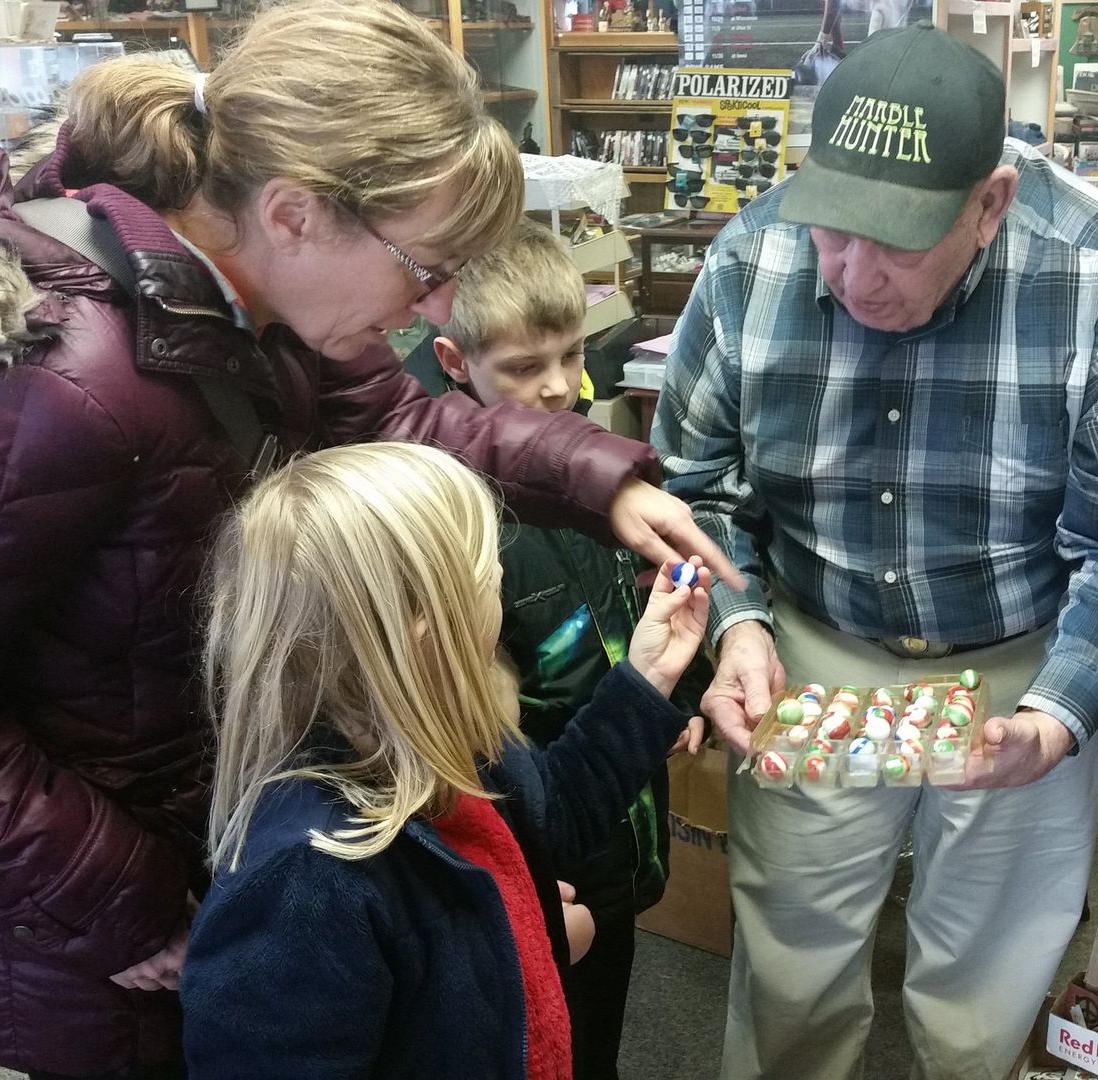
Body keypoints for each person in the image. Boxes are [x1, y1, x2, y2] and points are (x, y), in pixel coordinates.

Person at [0, 1, 737, 1076]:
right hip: (114, 920)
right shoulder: (52, 389)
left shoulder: (261, 303)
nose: (437, 311)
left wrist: (602, 481)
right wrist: (130, 905)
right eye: (425, 268)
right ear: (292, 213)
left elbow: (404, 418)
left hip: (236, 832)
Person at [651, 26, 1098, 1080]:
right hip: (811, 645)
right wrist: (738, 626)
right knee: (791, 965)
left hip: (1022, 660)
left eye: (899, 243)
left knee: (984, 985)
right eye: (835, 232)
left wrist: (1055, 717)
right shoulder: (751, 256)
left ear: (990, 203)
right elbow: (696, 481)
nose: (856, 277)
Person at [180, 442, 708, 1077]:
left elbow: (556, 817)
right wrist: (519, 952)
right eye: (491, 580)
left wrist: (649, 676)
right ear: (427, 630)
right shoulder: (301, 887)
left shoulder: (457, 749)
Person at [407, 219, 713, 1079]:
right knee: (537, 1041)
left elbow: (630, 597)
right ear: (454, 360)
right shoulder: (440, 509)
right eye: (522, 367)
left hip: (616, 803)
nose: (557, 387)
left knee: (597, 1029)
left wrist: (676, 696)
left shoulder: (588, 462)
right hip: (531, 835)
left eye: (571, 355)